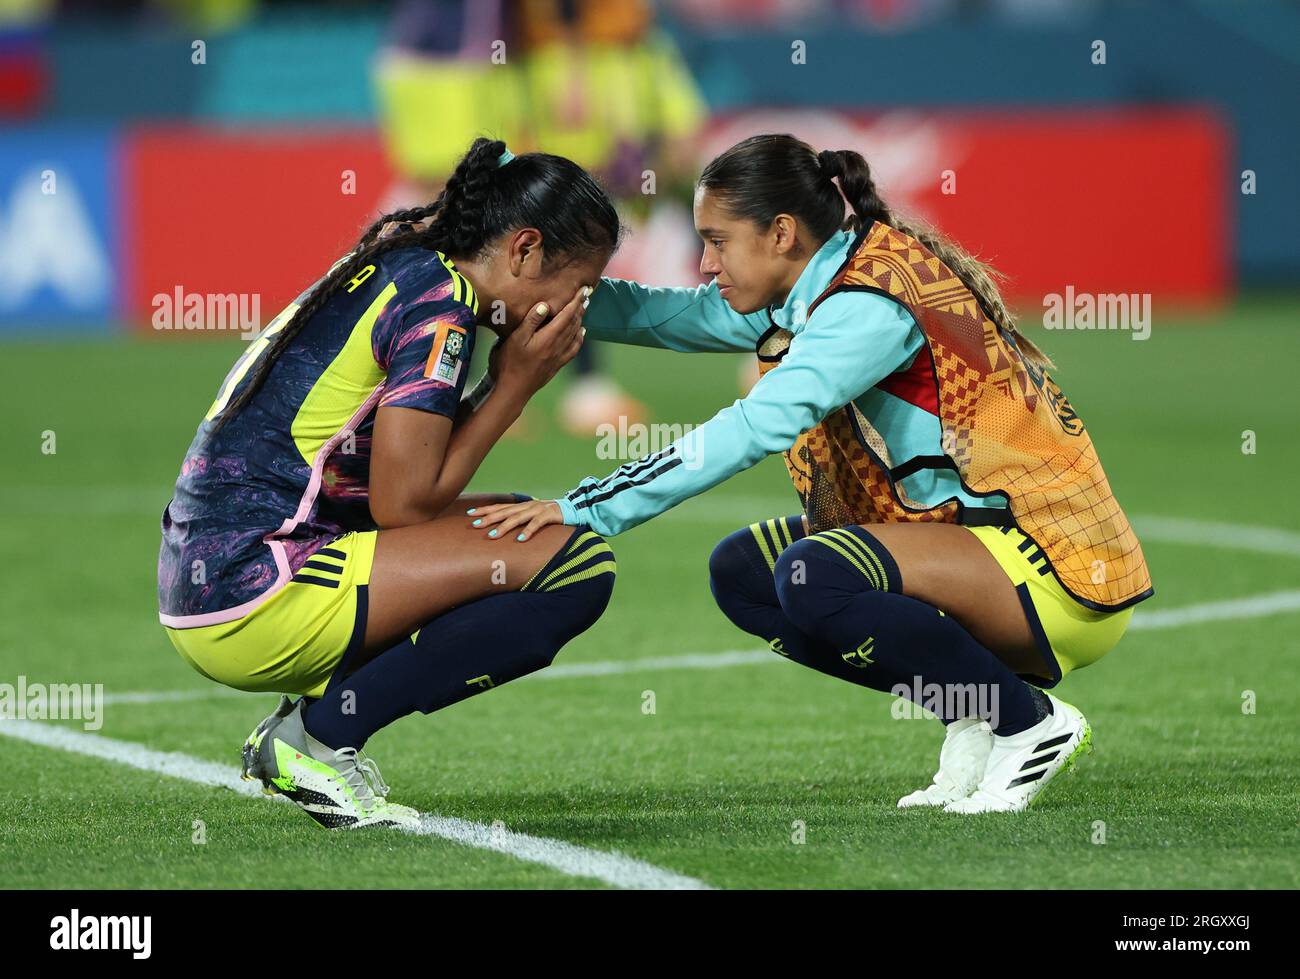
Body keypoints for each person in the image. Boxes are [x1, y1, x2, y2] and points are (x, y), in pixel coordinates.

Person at [467, 133, 1155, 814]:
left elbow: (754, 426)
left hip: (1052, 566)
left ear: (781, 233)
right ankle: (973, 705)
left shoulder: (864, 309)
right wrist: (514, 283)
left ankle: (1028, 723)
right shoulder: (817, 281)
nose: (704, 263)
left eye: (717, 240)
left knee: (814, 574)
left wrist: (589, 504)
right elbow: (665, 313)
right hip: (971, 543)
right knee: (745, 573)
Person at [157, 138, 622, 830]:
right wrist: (516, 383)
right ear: (524, 251)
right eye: (577, 288)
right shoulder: (442, 303)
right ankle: (318, 737)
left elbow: (391, 480)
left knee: (523, 521)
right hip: (256, 588)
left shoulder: (407, 268)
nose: (577, 310)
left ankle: (302, 726)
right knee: (576, 564)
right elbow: (403, 503)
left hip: (211, 576)